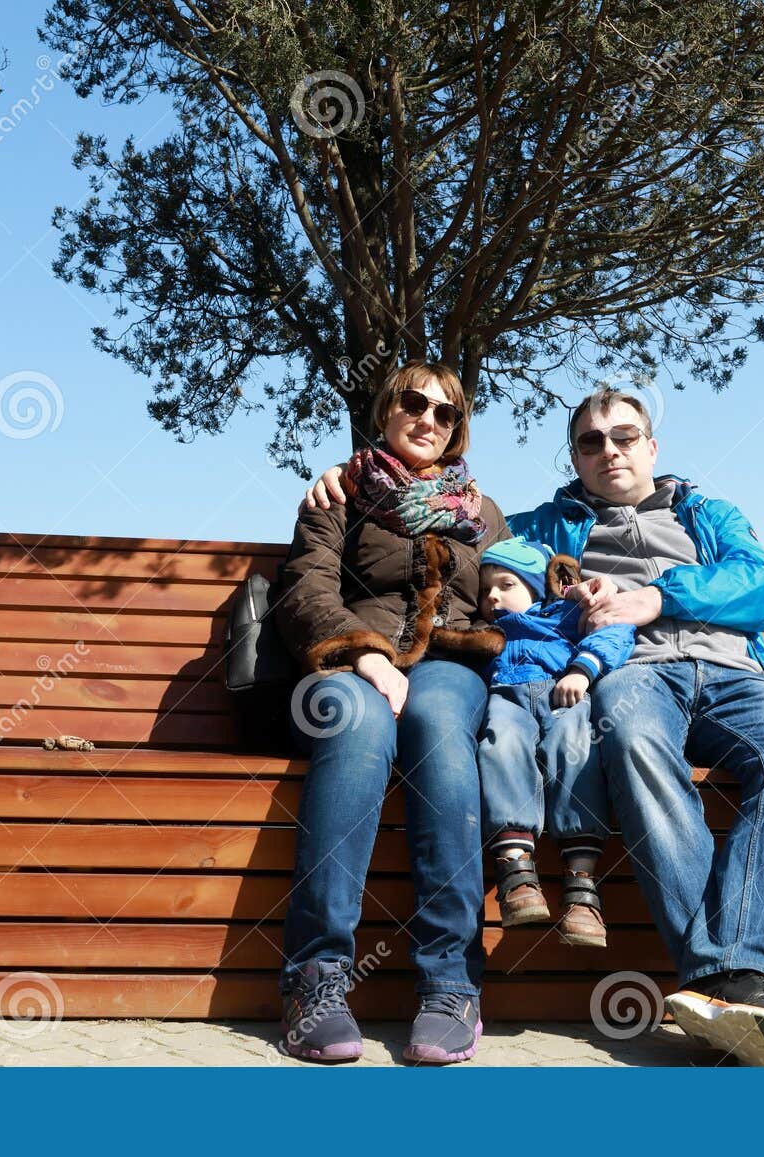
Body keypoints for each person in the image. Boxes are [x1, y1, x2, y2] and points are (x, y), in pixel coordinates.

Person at [303, 385, 764, 1067]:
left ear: (651, 446)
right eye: (591, 441)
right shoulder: (547, 525)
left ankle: (739, 978)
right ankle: (726, 978)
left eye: (625, 436)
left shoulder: (706, 512)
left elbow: (759, 585)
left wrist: (656, 595)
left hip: (735, 671)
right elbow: (464, 534)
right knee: (634, 744)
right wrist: (348, 474)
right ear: (575, 457)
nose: (610, 450)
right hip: (631, 672)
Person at [272, 361, 508, 1065]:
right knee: (357, 720)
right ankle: (315, 977)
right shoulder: (339, 494)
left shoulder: (484, 513)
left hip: (451, 663)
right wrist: (365, 654)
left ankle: (450, 983)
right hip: (350, 661)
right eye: (413, 402)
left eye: (445, 412)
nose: (427, 419)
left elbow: (515, 588)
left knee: (437, 721)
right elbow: (304, 586)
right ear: (386, 410)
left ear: (457, 429)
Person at [474, 537, 634, 948]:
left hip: (564, 694)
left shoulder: (565, 614)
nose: (493, 597)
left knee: (576, 748)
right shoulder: (486, 633)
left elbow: (615, 632)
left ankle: (581, 882)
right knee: (500, 742)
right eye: (486, 589)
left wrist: (582, 670)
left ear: (535, 588)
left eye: (506, 585)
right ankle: (516, 869)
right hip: (506, 697)